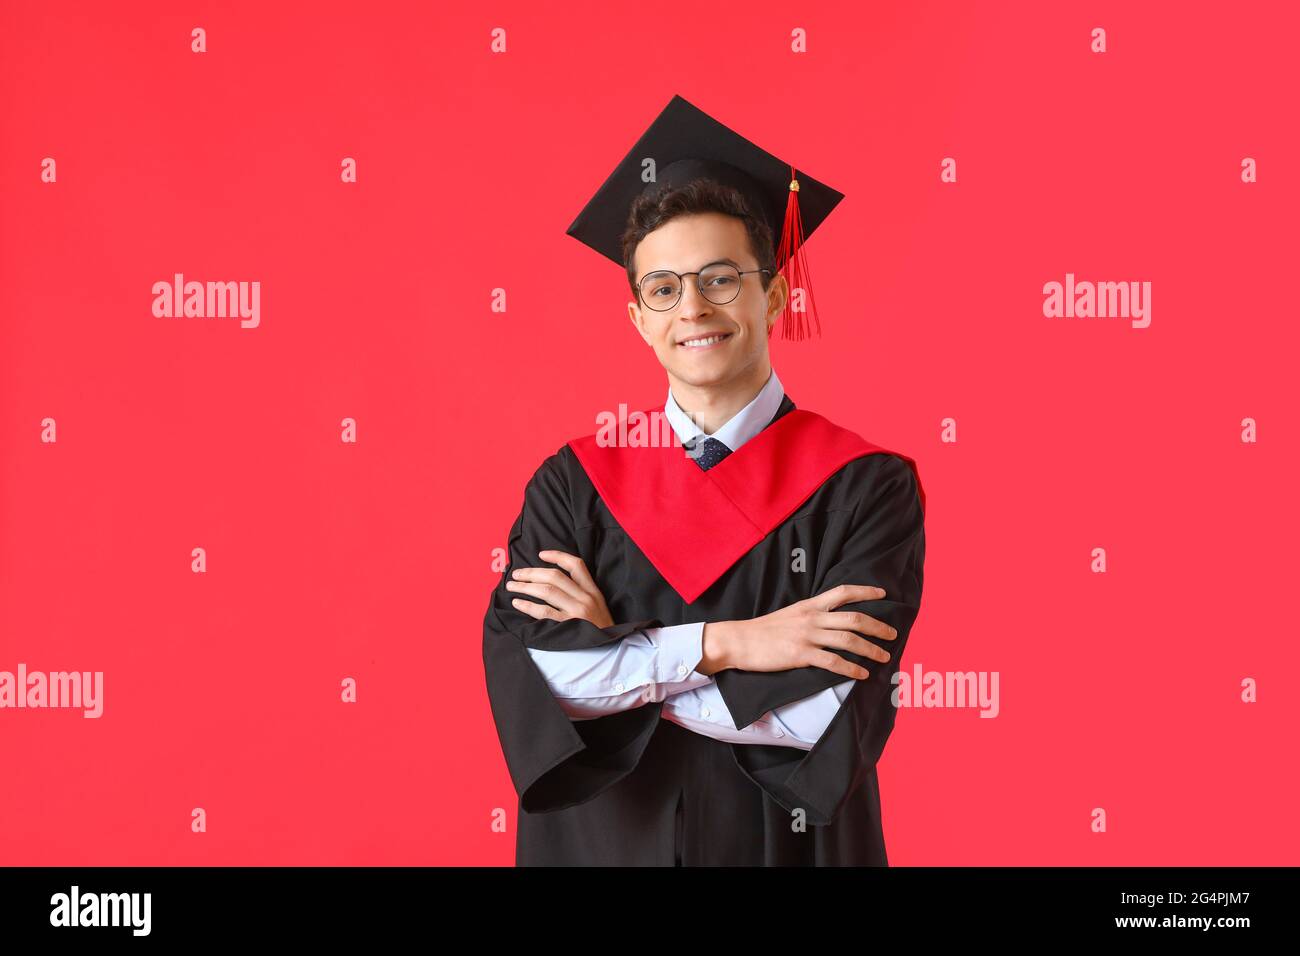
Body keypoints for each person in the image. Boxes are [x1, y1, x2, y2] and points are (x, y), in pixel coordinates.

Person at [482, 93, 927, 865]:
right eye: (664, 289)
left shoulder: (865, 488)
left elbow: (823, 717)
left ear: (775, 293)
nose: (693, 307)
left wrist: (628, 667)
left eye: (721, 279)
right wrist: (733, 645)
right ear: (639, 318)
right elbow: (544, 684)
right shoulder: (572, 485)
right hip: (600, 842)